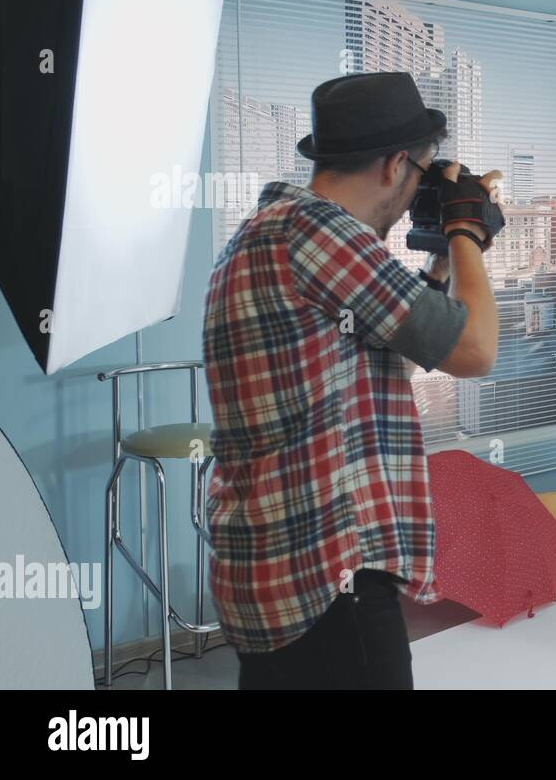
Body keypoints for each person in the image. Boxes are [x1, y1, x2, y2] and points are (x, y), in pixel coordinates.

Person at [202, 71, 501, 689]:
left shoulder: (269, 231)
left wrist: (443, 264)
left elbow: (376, 352)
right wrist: (466, 227)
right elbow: (475, 350)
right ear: (394, 166)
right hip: (330, 577)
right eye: (420, 174)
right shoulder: (320, 233)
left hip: (271, 574)